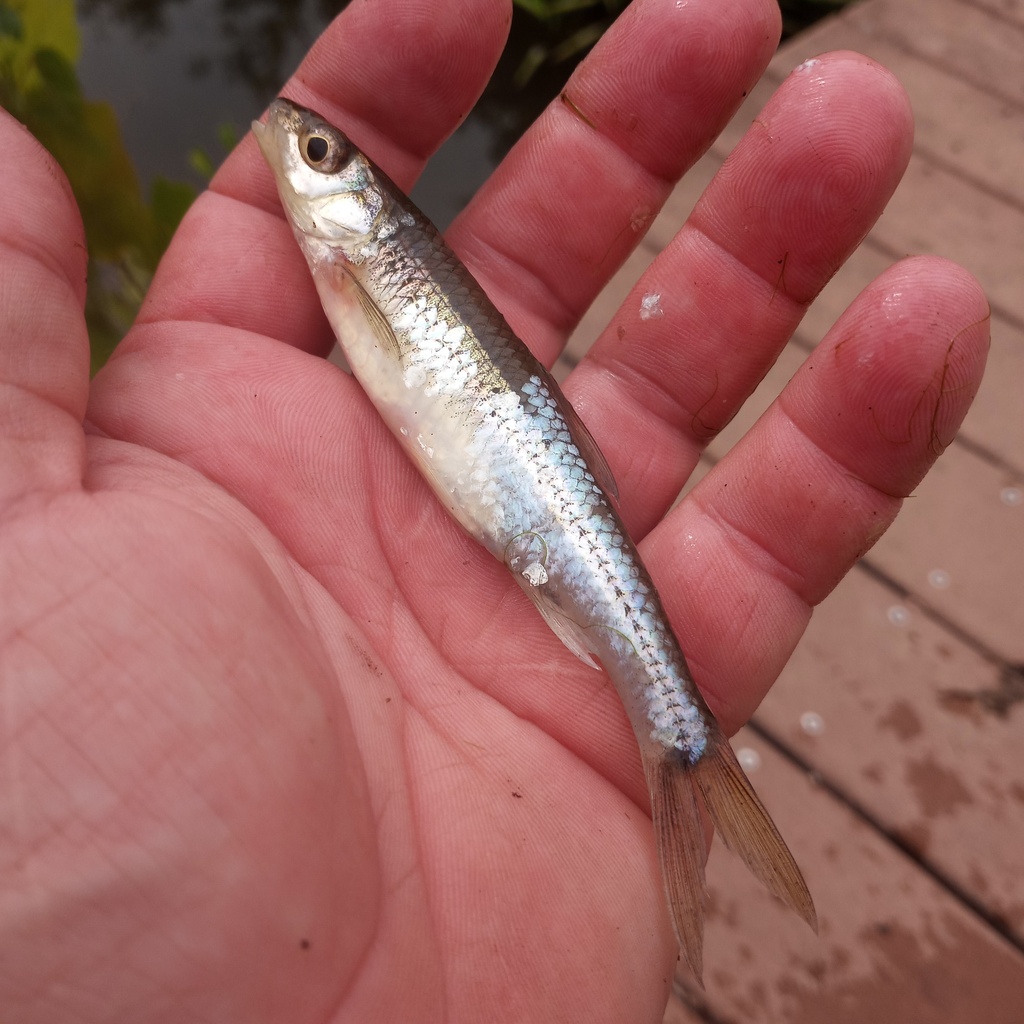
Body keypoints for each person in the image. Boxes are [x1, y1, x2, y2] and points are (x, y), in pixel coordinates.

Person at [0, 0, 988, 1020]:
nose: (297, 156)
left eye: (317, 153)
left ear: (353, 201)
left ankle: (678, 740)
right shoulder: (342, 250)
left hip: (528, 493)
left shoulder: (356, 247)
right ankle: (681, 747)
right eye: (316, 149)